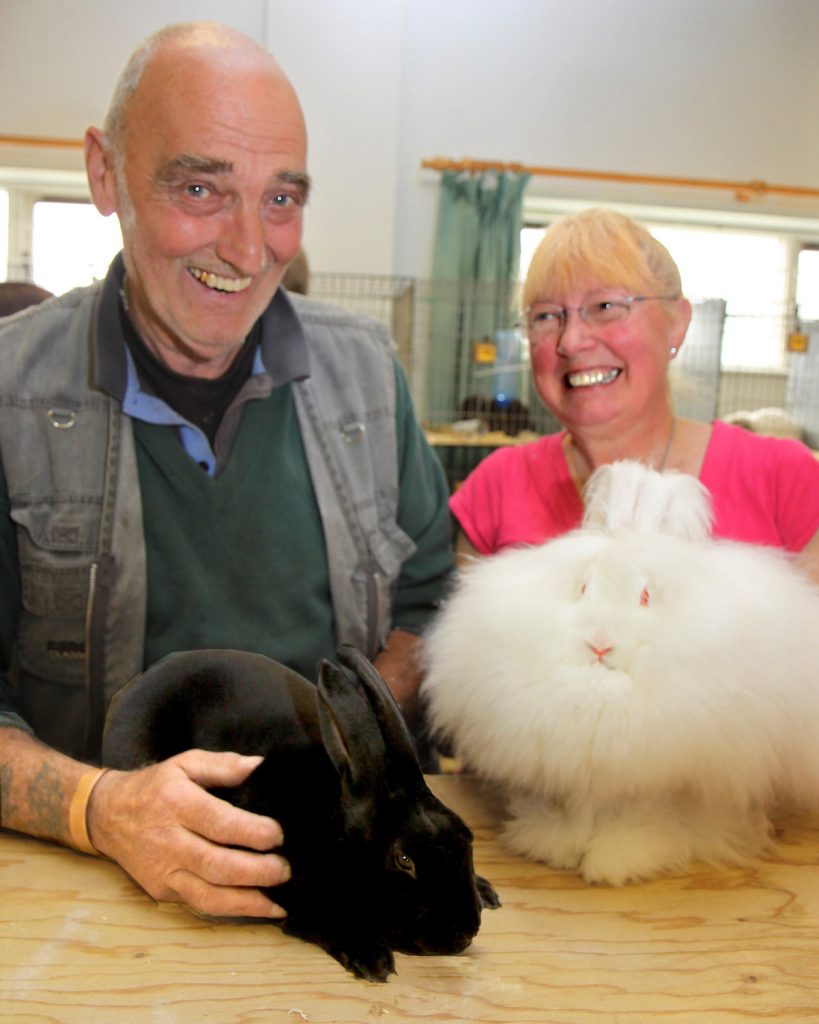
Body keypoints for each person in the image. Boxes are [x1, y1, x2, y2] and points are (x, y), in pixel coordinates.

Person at [0, 22, 452, 921]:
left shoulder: (367, 376)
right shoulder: (10, 394)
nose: (249, 249)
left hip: (337, 881)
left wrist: (350, 751)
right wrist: (100, 809)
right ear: (106, 174)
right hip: (86, 892)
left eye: (280, 198)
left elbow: (431, 606)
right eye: (201, 188)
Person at [450, 208, 819, 584]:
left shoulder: (784, 480)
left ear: (676, 323)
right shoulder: (494, 489)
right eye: (546, 316)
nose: (571, 341)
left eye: (605, 307)